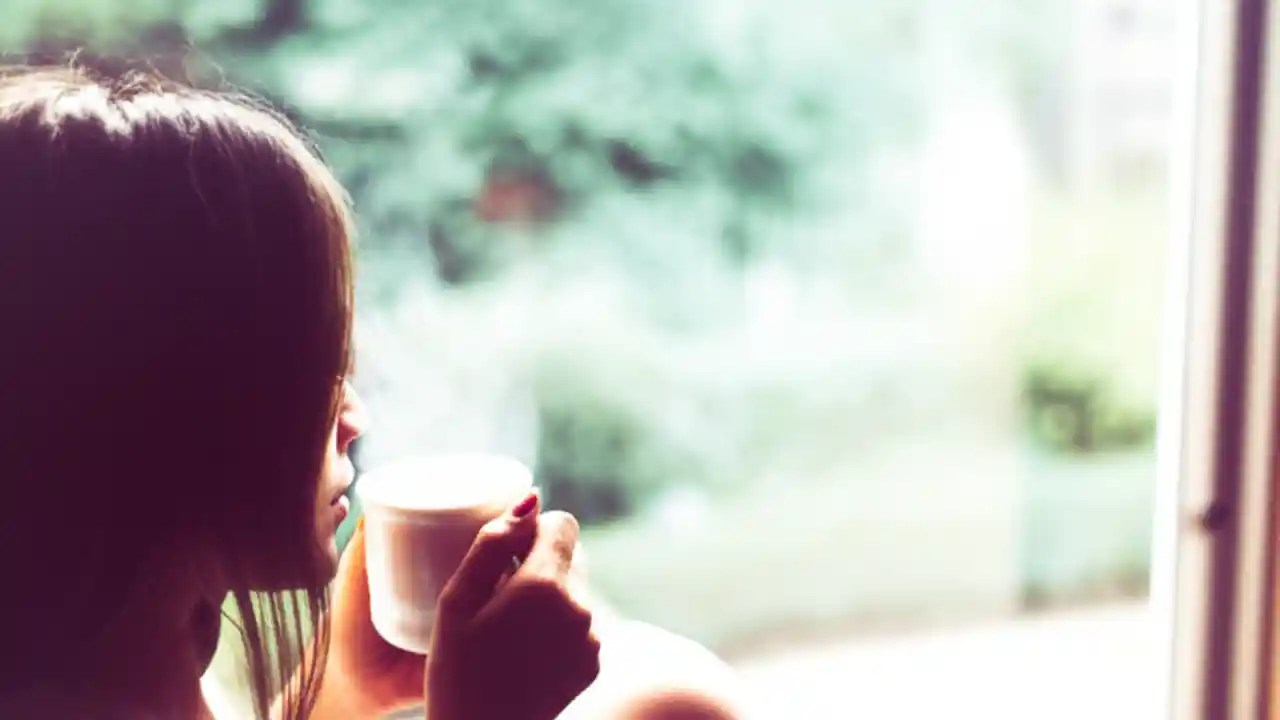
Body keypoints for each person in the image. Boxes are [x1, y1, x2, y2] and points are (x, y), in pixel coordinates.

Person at [0, 63, 742, 719]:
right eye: (312, 374)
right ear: (172, 416)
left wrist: (342, 696)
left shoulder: (118, 667)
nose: (354, 416)